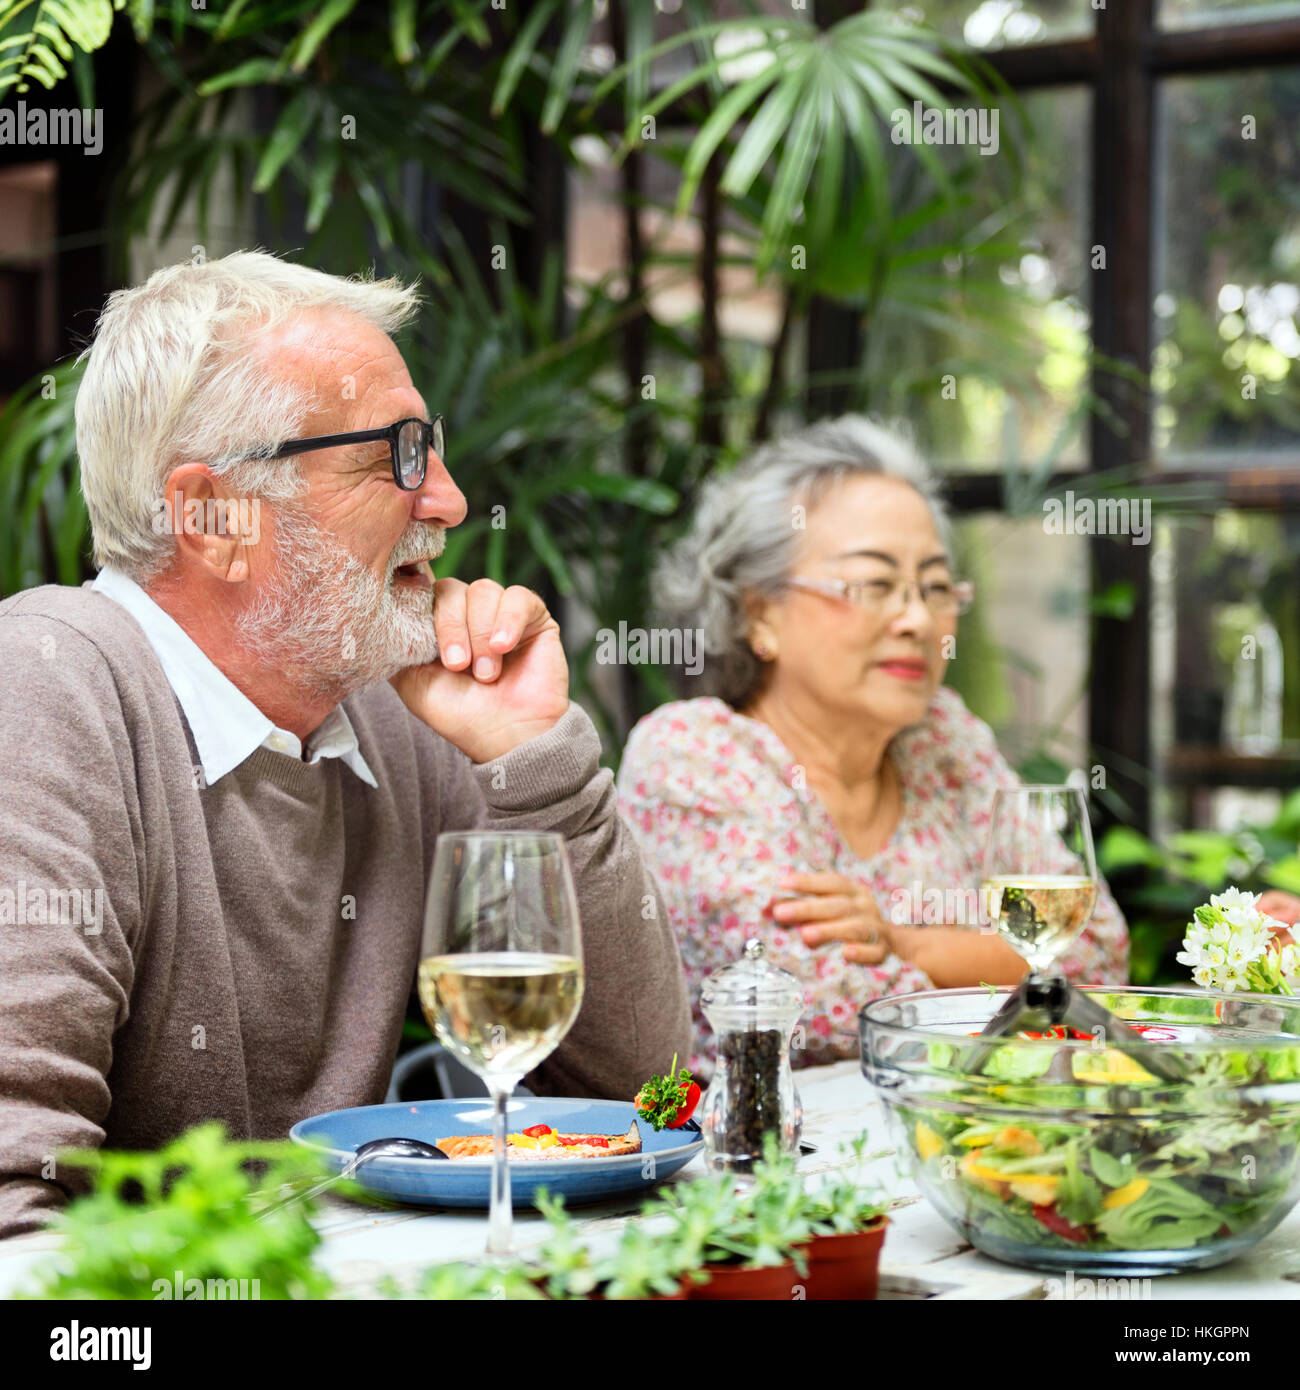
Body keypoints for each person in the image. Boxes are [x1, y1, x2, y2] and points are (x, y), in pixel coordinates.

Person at [0, 251, 691, 1237]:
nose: (449, 501)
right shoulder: (43, 683)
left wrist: (533, 757)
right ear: (213, 515)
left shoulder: (395, 709)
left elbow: (650, 1096)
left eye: (435, 449)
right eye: (396, 456)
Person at [617, 415, 1128, 1077]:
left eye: (936, 587)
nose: (917, 620)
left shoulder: (942, 740)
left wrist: (901, 937)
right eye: (873, 585)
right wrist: (1003, 966)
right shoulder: (694, 756)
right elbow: (825, 1009)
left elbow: (1099, 954)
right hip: (767, 1165)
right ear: (759, 613)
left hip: (961, 1148)